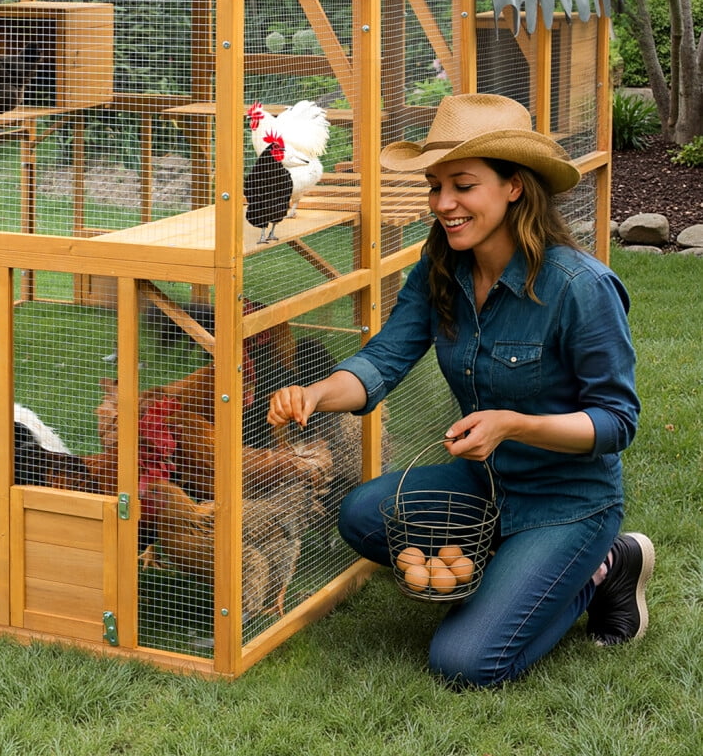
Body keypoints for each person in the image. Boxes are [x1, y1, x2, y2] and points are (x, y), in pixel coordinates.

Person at [267, 93, 652, 688]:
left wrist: (515, 424)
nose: (443, 204)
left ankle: (604, 567)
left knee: (466, 662)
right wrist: (317, 394)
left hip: (567, 499)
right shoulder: (442, 263)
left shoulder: (581, 287)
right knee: (364, 516)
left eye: (463, 185)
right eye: (434, 186)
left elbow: (617, 422)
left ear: (514, 187)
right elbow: (384, 359)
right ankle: (515, 569)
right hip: (483, 482)